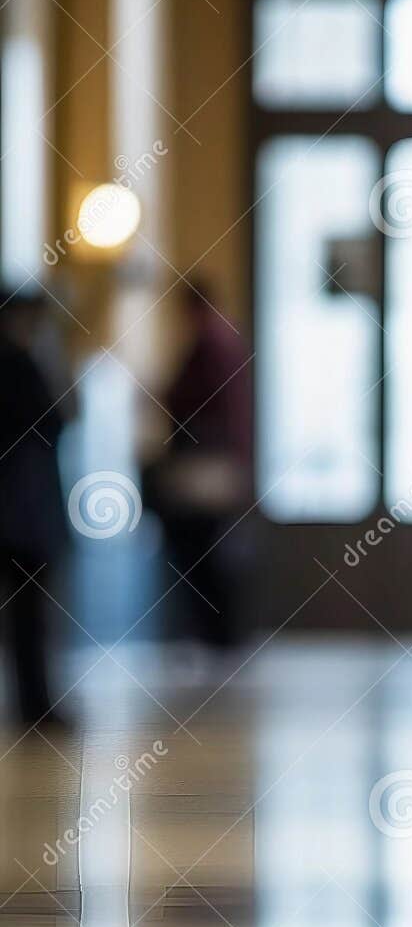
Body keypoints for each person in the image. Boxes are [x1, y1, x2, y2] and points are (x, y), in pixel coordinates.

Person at [147, 278, 254, 649]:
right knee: (209, 554)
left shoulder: (210, 344)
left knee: (200, 554)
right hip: (220, 463)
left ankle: (217, 635)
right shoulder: (226, 341)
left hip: (206, 466)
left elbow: (188, 401)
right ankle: (219, 635)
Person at [0, 287, 69, 729]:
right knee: (29, 613)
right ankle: (35, 704)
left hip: (17, 511)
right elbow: (55, 422)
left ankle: (35, 702)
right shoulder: (19, 365)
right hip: (21, 513)